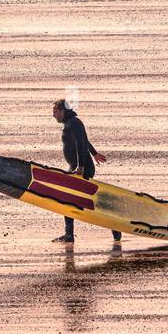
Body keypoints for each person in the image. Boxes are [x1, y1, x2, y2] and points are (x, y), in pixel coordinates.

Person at [50, 99, 122, 245]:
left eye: (55, 111)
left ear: (63, 111)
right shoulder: (71, 123)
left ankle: (114, 225)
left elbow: (80, 143)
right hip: (77, 168)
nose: (53, 115)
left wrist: (81, 167)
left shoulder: (74, 123)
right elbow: (85, 141)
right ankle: (69, 234)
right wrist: (94, 154)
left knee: (81, 200)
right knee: (69, 200)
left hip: (82, 169)